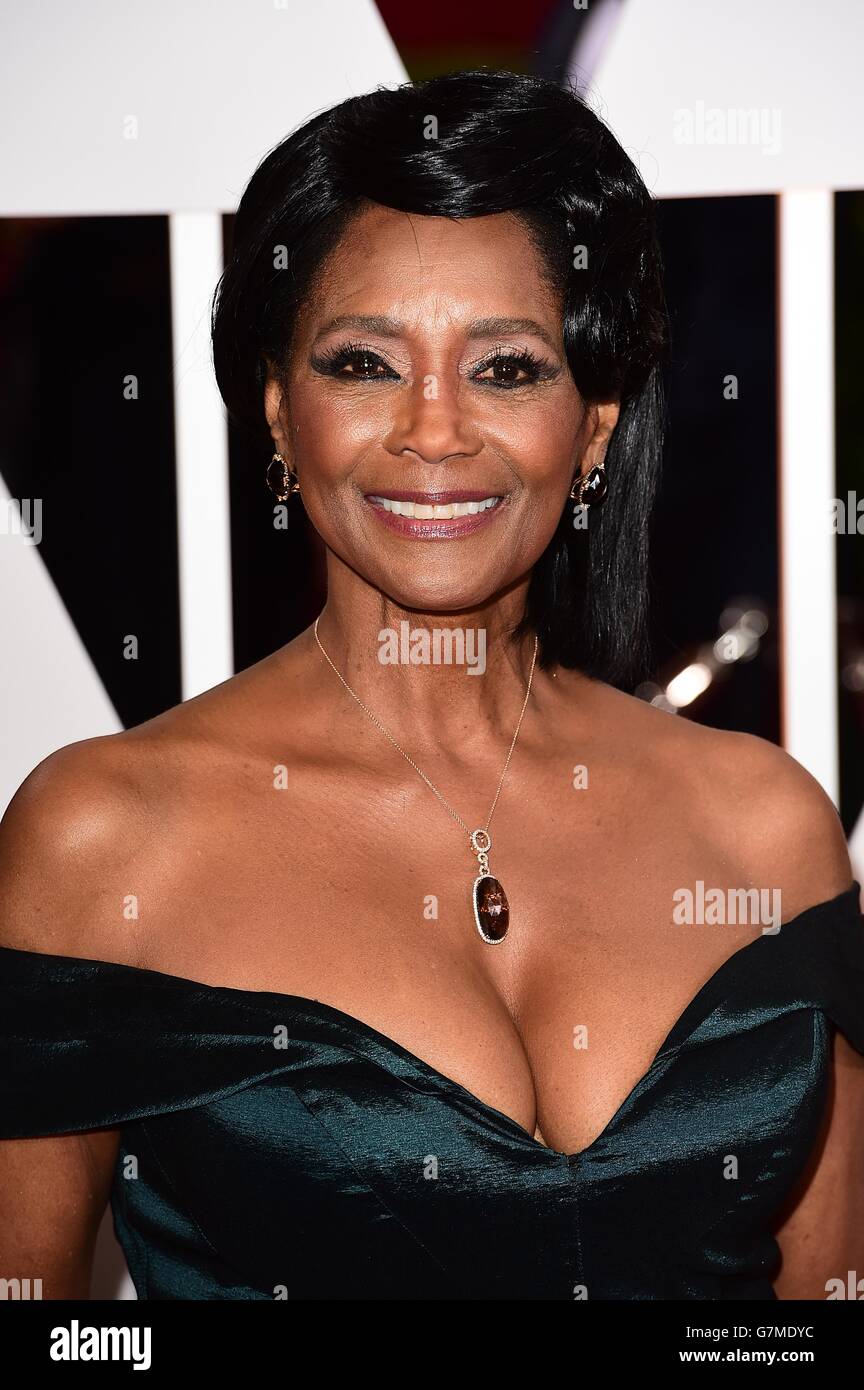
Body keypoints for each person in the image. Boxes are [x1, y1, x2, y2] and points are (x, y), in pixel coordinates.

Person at [1, 70, 862, 1301]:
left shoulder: (764, 825)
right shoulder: (104, 835)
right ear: (279, 415)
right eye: (364, 363)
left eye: (506, 368)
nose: (435, 430)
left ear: (597, 422)